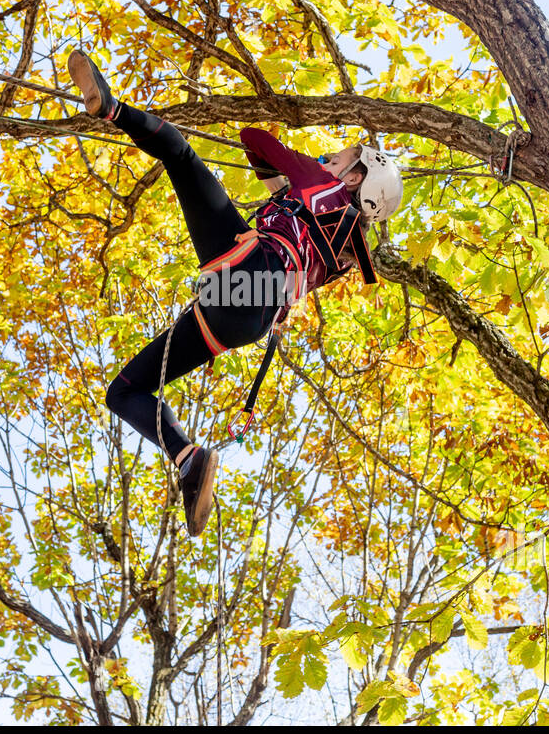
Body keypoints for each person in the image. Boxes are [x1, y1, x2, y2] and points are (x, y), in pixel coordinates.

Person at [68, 49, 403, 537]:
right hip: (245, 315)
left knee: (180, 154)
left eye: (343, 157)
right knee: (123, 392)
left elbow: (255, 139)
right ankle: (189, 460)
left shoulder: (321, 188)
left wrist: (306, 166)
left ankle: (110, 109)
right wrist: (291, 179)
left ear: (354, 179)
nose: (332, 155)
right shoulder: (342, 246)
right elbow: (262, 163)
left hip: (252, 269)